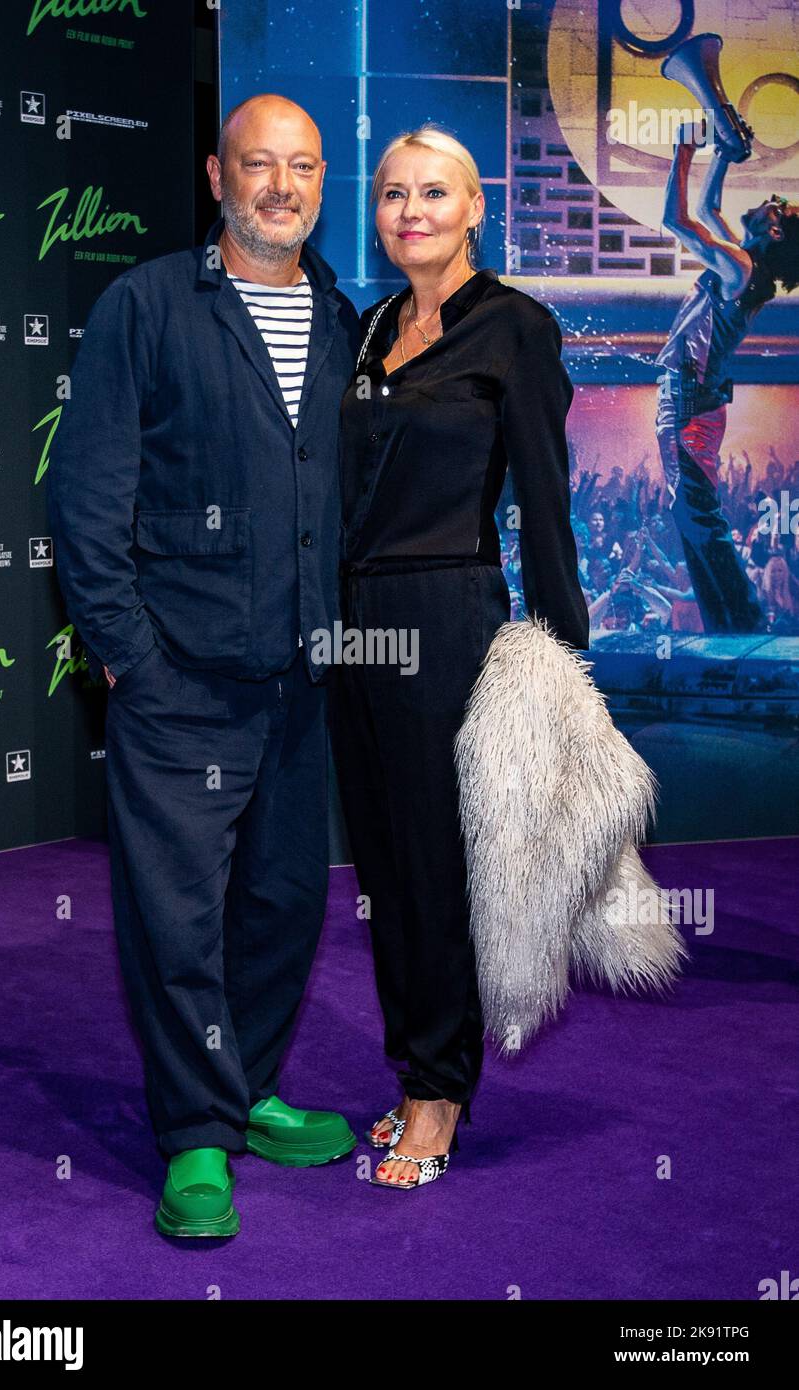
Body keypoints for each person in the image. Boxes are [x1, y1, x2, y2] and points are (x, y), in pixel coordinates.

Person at [47, 94, 360, 1239]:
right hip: (178, 682)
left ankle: (251, 1087)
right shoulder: (145, 304)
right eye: (258, 165)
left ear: (322, 184)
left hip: (299, 679)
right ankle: (192, 1134)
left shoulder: (338, 314)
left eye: (304, 168)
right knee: (178, 919)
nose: (282, 186)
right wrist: (128, 653)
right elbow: (85, 497)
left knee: (280, 905)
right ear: (216, 176)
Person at [328, 125, 589, 1190]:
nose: (412, 211)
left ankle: (441, 1092)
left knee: (440, 869)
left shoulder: (516, 329)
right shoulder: (371, 325)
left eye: (435, 192)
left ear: (476, 206)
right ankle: (409, 1069)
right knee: (387, 871)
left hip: (448, 617)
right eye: (394, 194)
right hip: (353, 622)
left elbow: (545, 498)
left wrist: (565, 656)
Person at [656, 125, 799, 631]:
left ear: (775, 231)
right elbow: (709, 208)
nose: (767, 200)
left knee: (698, 519)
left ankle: (740, 620)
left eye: (775, 204)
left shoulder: (740, 268)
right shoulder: (745, 265)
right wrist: (721, 154)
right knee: (693, 518)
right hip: (695, 400)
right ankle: (730, 620)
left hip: (690, 401)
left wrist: (685, 148)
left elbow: (675, 220)